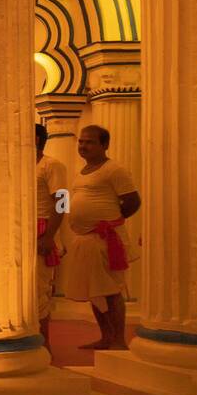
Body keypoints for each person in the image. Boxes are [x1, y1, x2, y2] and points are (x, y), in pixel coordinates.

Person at [57, 124, 139, 350]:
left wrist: (111, 221)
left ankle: (119, 341)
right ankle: (106, 338)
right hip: (86, 240)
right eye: (81, 142)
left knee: (111, 291)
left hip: (106, 240)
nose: (83, 146)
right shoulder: (81, 172)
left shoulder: (114, 169)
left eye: (89, 142)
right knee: (95, 292)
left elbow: (133, 201)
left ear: (104, 145)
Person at [34, 123, 68, 349]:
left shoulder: (52, 165)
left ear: (36, 139)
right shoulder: (18, 166)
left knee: (40, 288)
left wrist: (49, 236)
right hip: (20, 231)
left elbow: (62, 202)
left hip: (43, 230)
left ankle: (44, 345)